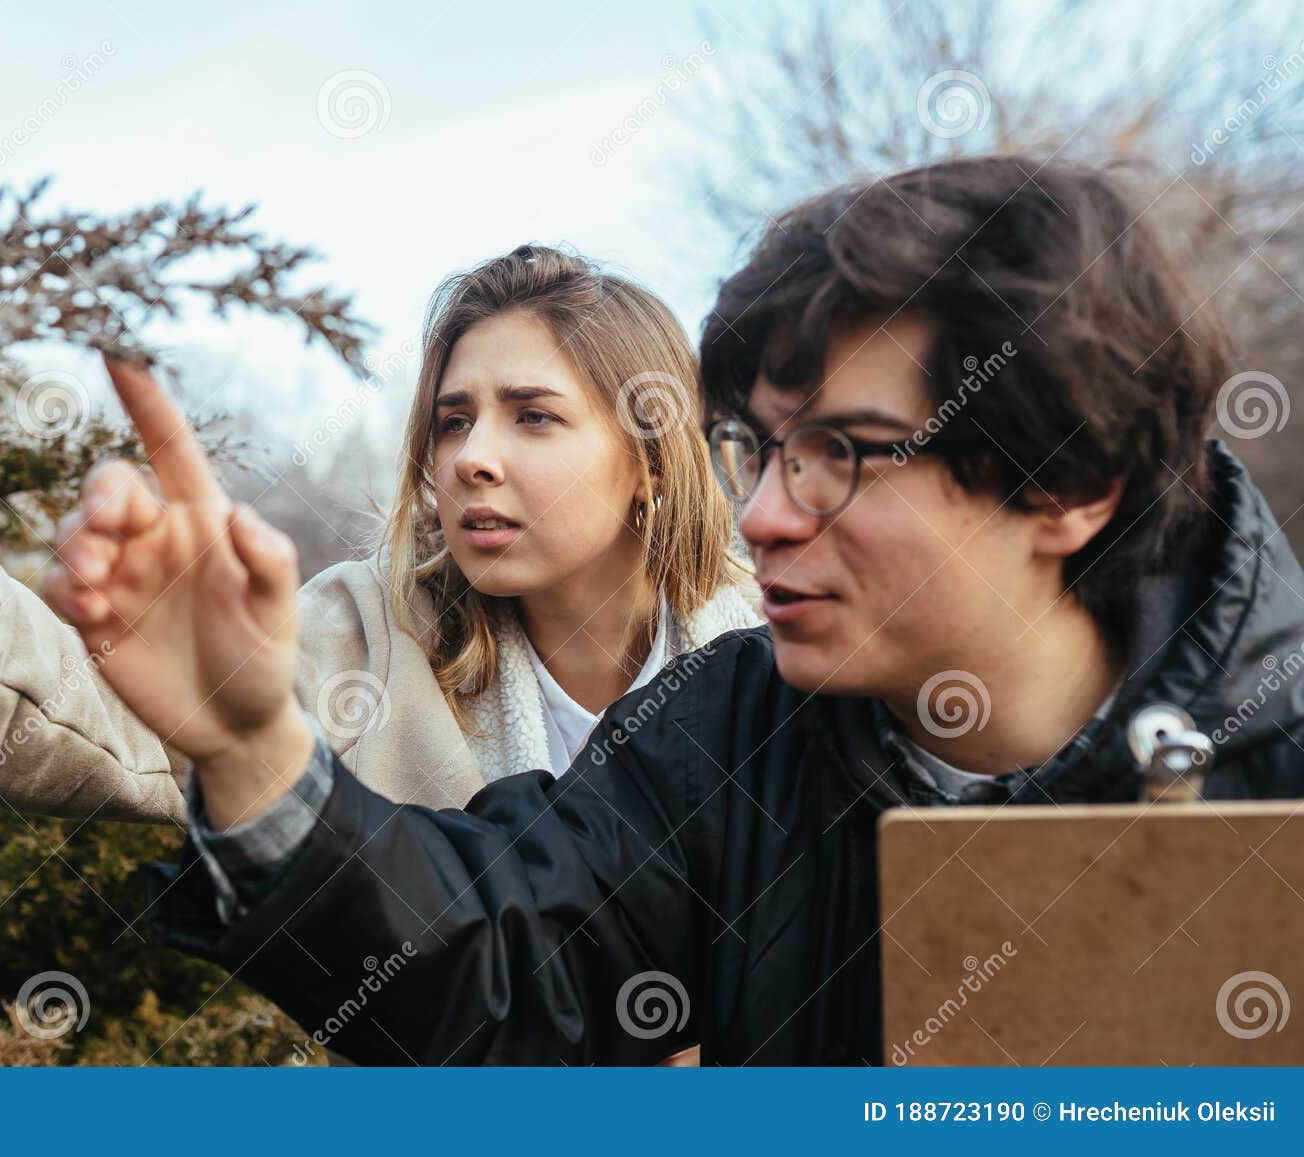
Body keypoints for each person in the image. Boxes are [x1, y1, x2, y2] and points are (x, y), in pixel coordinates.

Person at [100, 156, 1304, 1065]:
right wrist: (254, 746)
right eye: (760, 448)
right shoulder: (732, 733)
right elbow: (497, 962)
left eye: (843, 451)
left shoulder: (1277, 756)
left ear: (1068, 485)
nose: (769, 514)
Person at [0, 245, 759, 834]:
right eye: (451, 420)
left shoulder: (793, 650)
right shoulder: (363, 635)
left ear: (653, 461)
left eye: (533, 415)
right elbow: (107, 730)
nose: (471, 459)